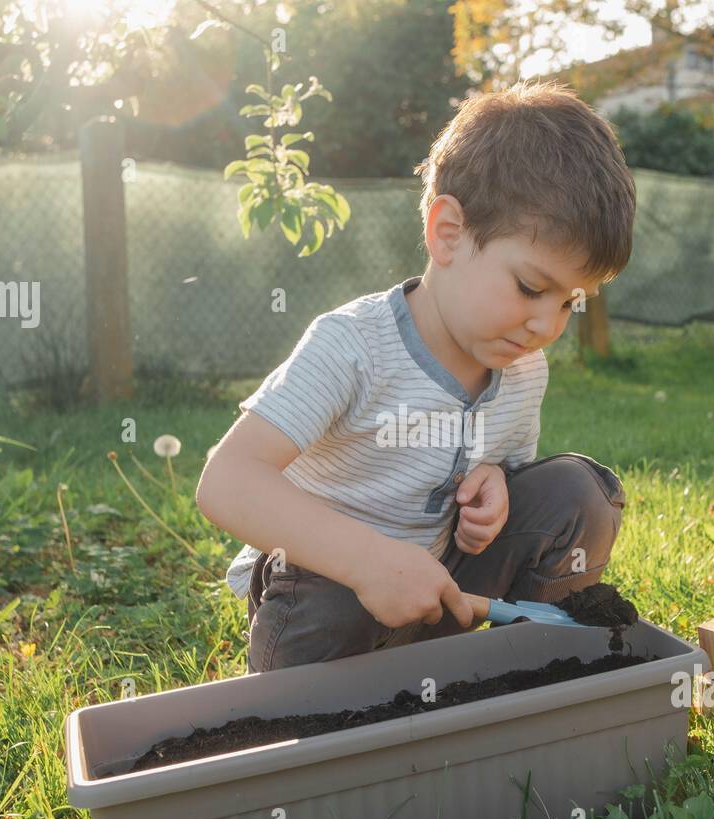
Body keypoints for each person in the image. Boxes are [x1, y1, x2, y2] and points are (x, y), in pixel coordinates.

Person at [196, 79, 637, 673]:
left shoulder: (523, 368)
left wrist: (494, 486)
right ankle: (313, 717)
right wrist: (368, 562)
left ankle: (527, 668)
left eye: (568, 302)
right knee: (331, 592)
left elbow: (503, 473)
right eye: (531, 288)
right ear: (448, 232)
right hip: (323, 613)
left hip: (438, 600)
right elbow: (226, 480)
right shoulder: (353, 346)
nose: (545, 324)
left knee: (578, 493)